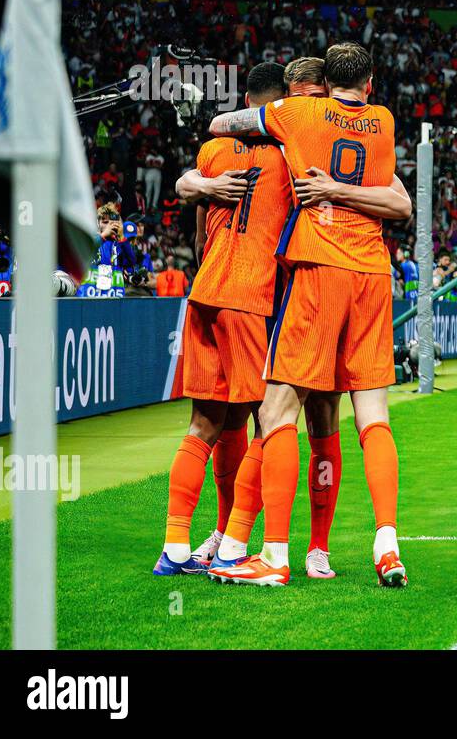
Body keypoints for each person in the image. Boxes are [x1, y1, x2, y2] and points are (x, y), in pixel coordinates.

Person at [206, 42, 408, 587]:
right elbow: (401, 202)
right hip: (373, 271)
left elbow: (226, 118)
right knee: (373, 416)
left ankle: (272, 556)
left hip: (317, 271)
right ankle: (386, 544)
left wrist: (244, 128)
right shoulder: (385, 121)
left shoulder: (297, 116)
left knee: (273, 415)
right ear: (370, 82)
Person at [153, 61, 293, 577]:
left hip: (205, 292)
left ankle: (174, 550)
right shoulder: (288, 154)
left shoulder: (211, 151)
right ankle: (235, 546)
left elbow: (193, 228)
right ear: (279, 105)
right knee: (268, 421)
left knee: (205, 423)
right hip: (250, 297)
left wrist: (202, 188)